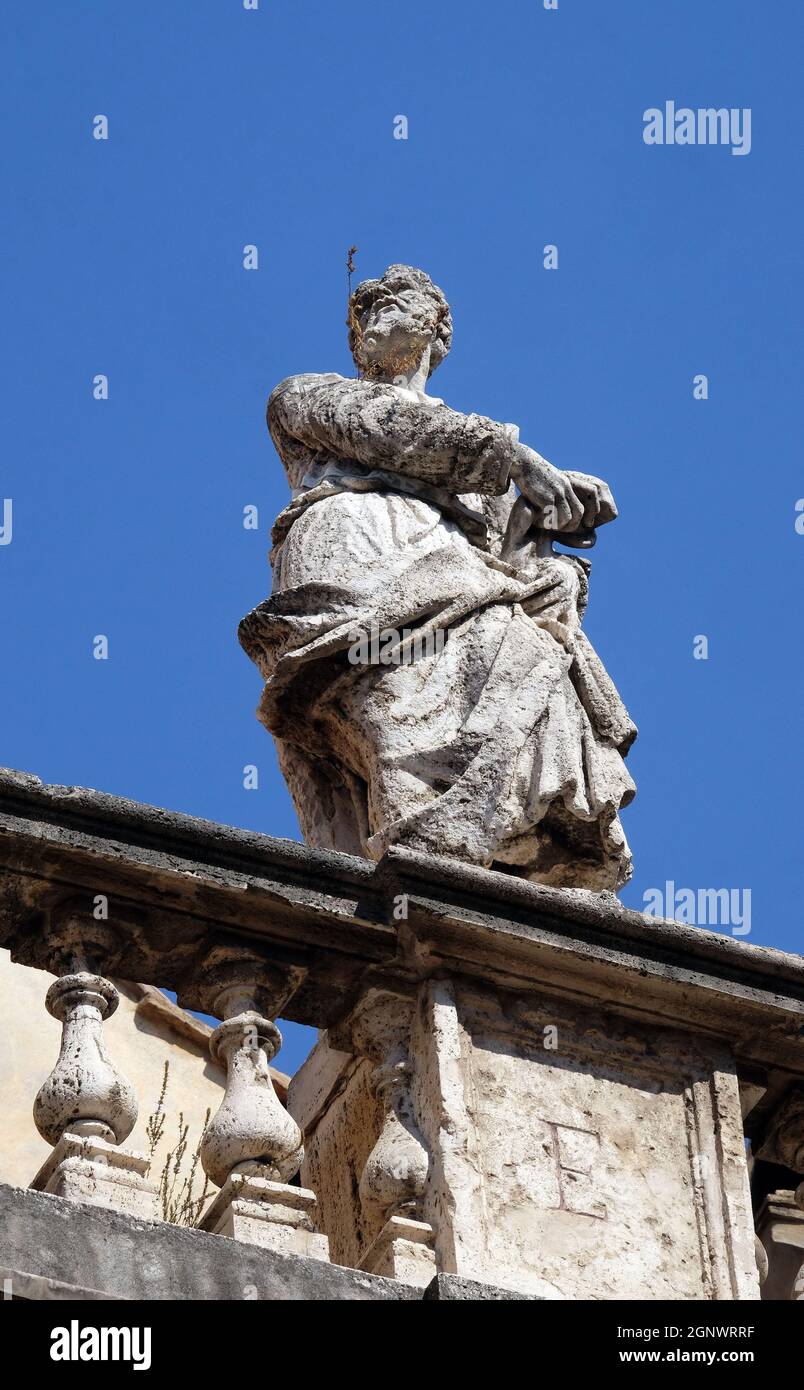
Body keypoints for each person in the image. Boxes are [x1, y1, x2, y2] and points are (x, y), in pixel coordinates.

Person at [239, 265, 636, 889]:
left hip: (464, 579)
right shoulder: (305, 396)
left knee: (524, 656)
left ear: (436, 327)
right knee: (389, 705)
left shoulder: (488, 463)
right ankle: (422, 872)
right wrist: (514, 460)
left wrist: (552, 532)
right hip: (361, 557)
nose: (370, 316)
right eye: (360, 311)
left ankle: (504, 856)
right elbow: (390, 432)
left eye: (390, 301)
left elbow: (511, 558)